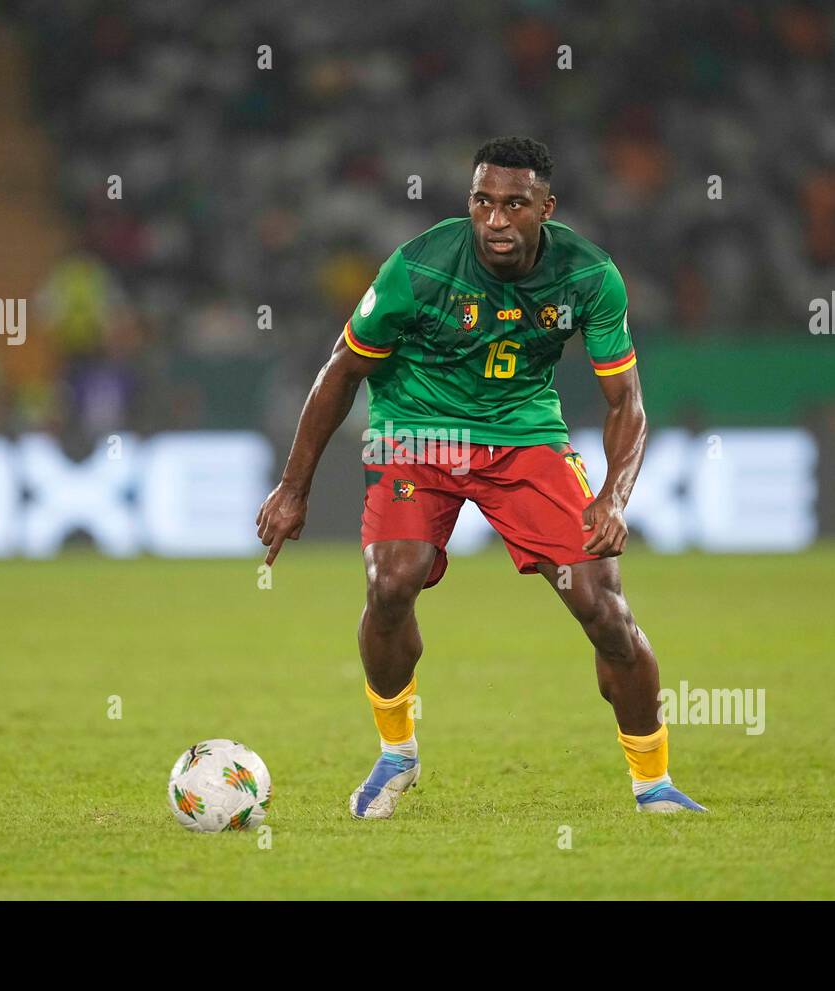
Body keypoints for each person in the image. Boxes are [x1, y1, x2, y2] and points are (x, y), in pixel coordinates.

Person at [256, 136, 706, 818]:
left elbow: (627, 404)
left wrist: (615, 497)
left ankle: (655, 784)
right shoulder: (420, 266)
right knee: (391, 582)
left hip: (523, 437)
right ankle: (396, 752)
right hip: (417, 432)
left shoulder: (589, 275)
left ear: (545, 209)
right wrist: (294, 487)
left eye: (514, 205)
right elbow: (341, 371)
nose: (495, 219)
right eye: (483, 202)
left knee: (603, 608)